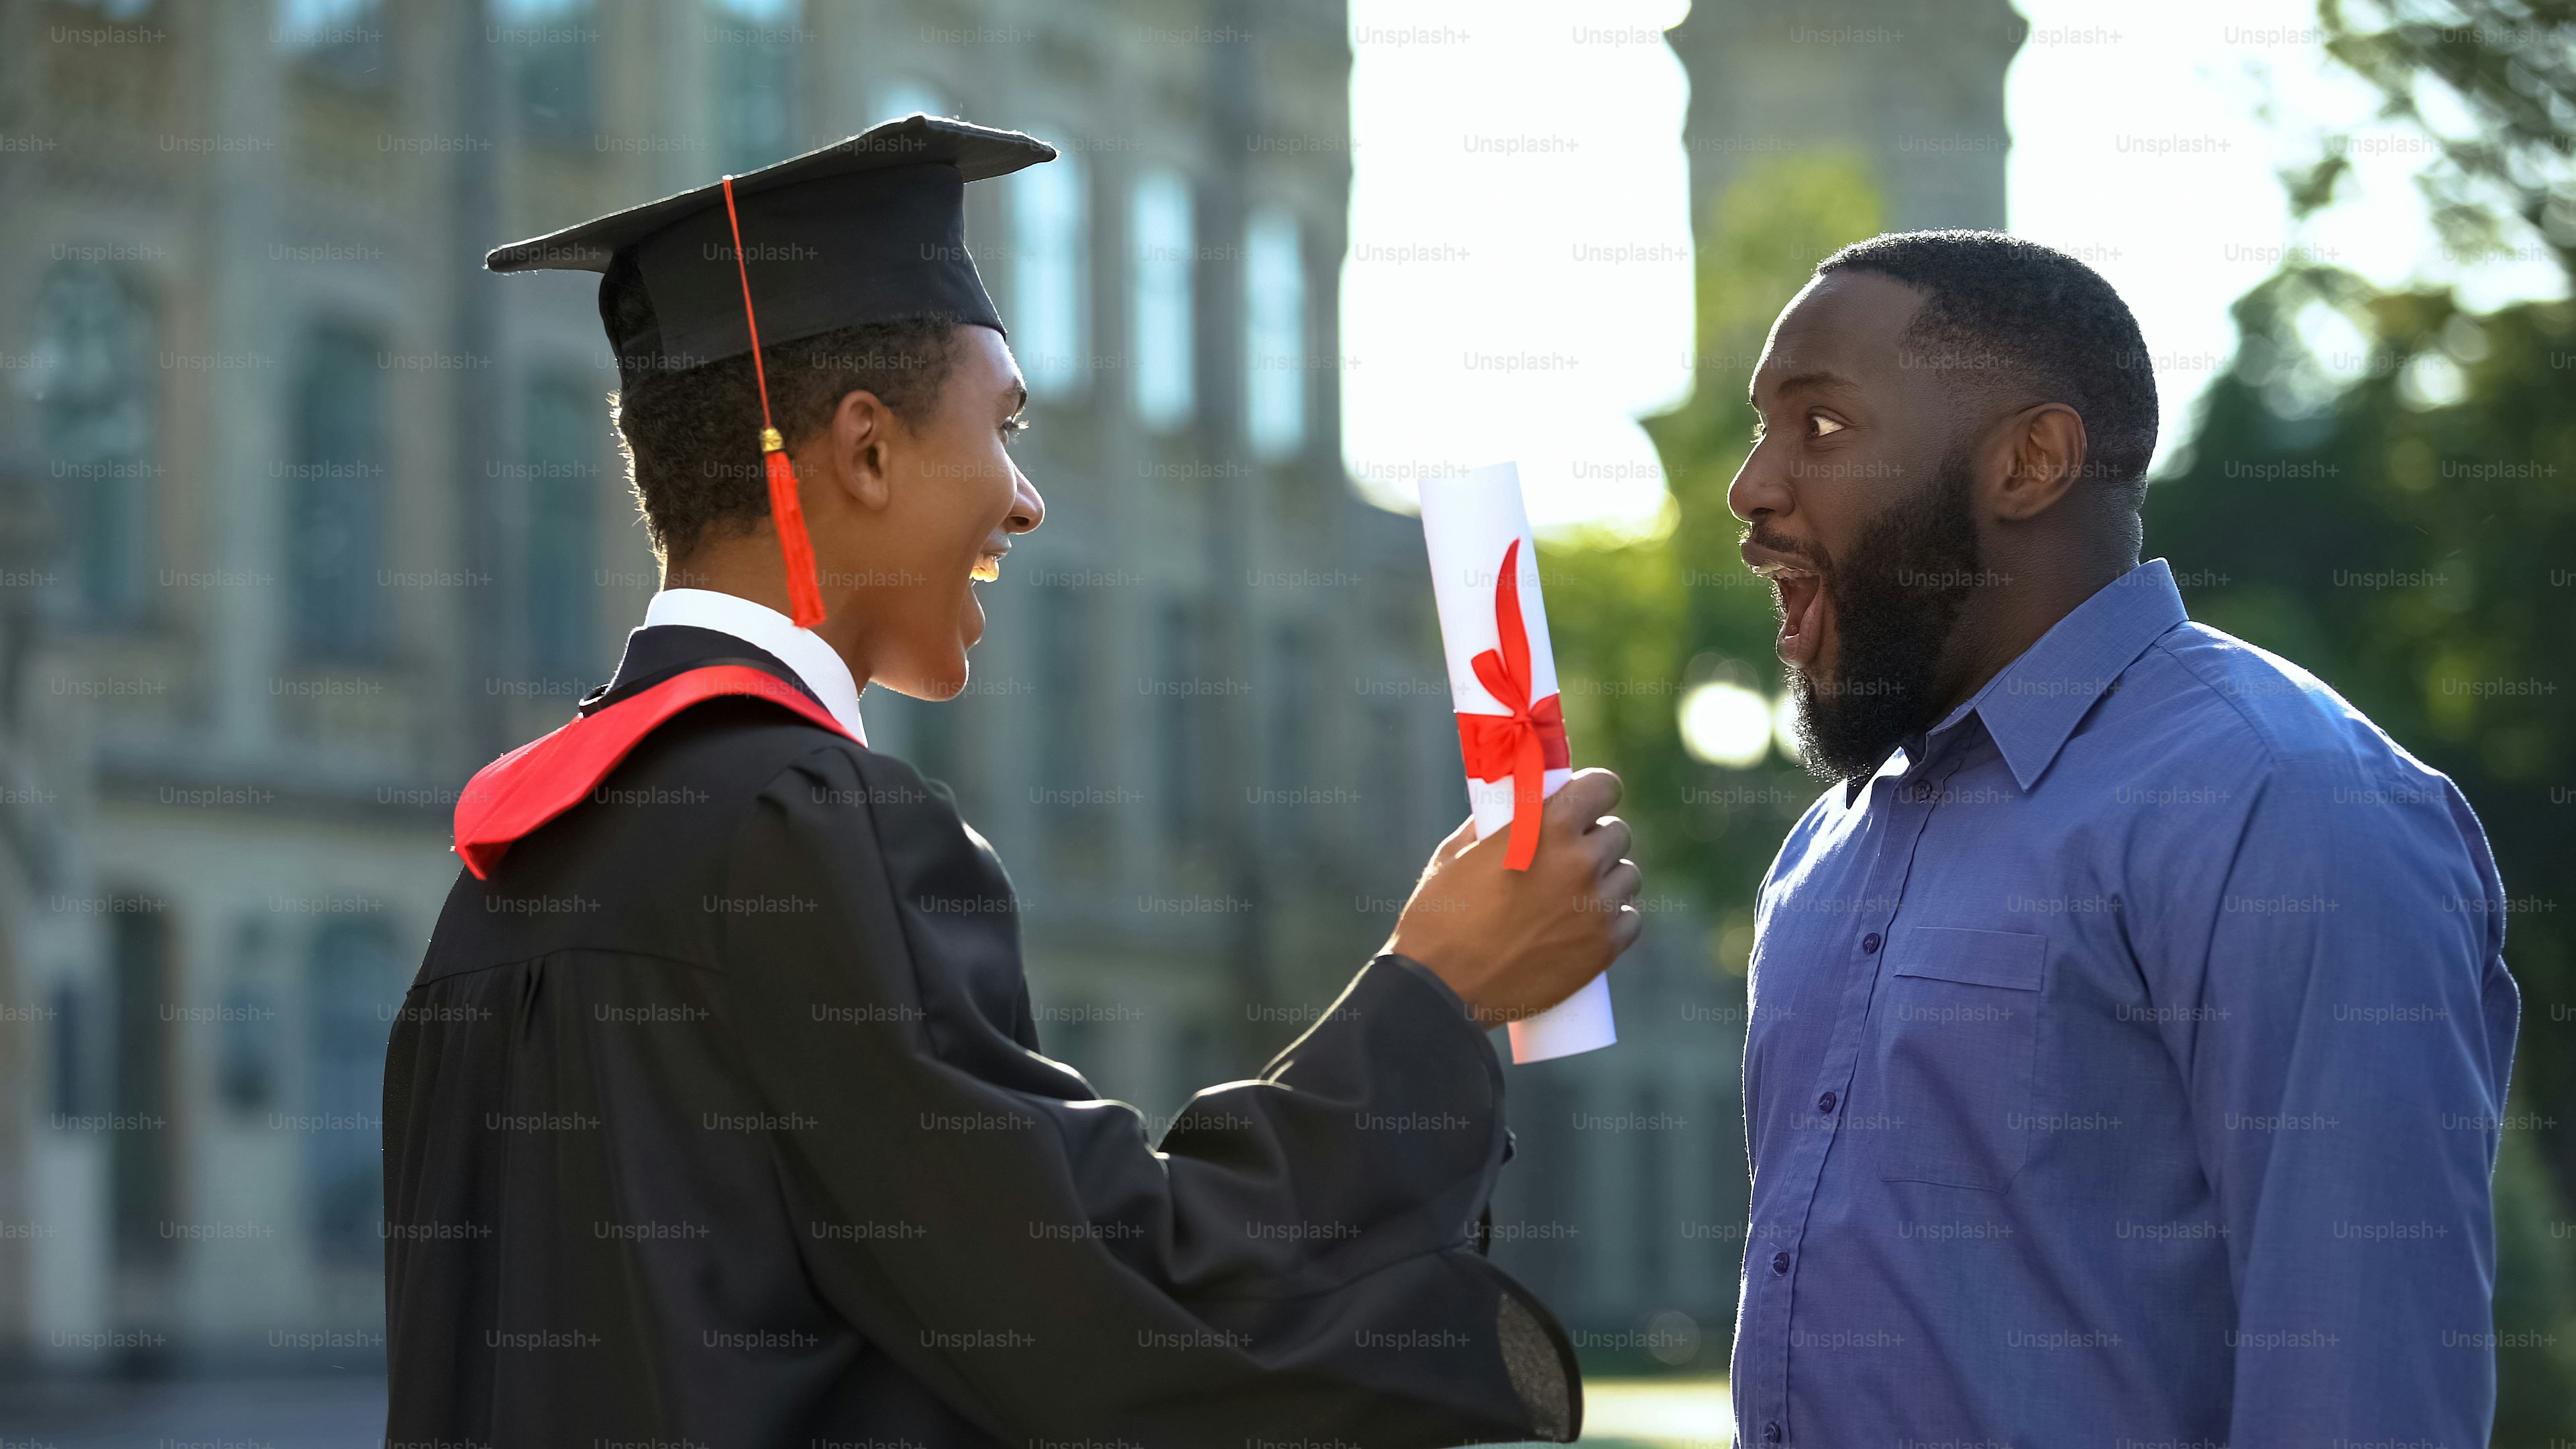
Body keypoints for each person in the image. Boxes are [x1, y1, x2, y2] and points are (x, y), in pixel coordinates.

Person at [382, 115, 1638, 1448]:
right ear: (866, 452)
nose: (1028, 500)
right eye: (1005, 425)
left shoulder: (513, 872)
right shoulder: (805, 832)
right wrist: (1437, 999)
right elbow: (1106, 1317)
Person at [1724, 230, 2518, 1447]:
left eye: (1821, 426)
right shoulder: (1822, 857)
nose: (1754, 488)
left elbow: (2365, 1392)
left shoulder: (2286, 806)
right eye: (1763, 429)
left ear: (2032, 460)